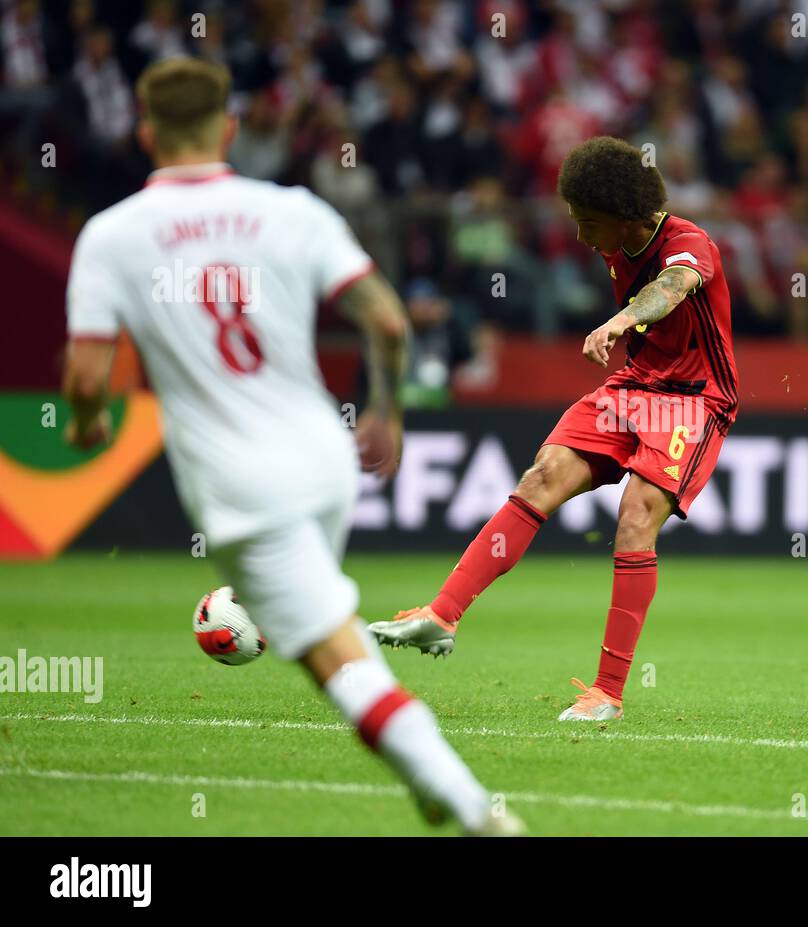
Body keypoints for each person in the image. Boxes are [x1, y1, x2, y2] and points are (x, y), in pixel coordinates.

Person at [62, 56, 520, 836]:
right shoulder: (293, 210)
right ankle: (428, 772)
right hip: (324, 456)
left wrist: (86, 425)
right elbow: (386, 319)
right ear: (230, 129)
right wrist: (386, 412)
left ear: (145, 133)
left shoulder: (111, 236)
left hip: (245, 486)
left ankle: (466, 801)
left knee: (339, 665)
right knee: (323, 631)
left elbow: (85, 373)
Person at [370, 136, 739, 722]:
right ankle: (442, 616)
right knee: (543, 474)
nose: (579, 235)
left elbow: (672, 288)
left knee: (637, 515)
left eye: (588, 222)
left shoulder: (689, 244)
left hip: (696, 398)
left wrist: (620, 319)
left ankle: (607, 693)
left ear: (625, 216)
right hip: (635, 386)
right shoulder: (616, 241)